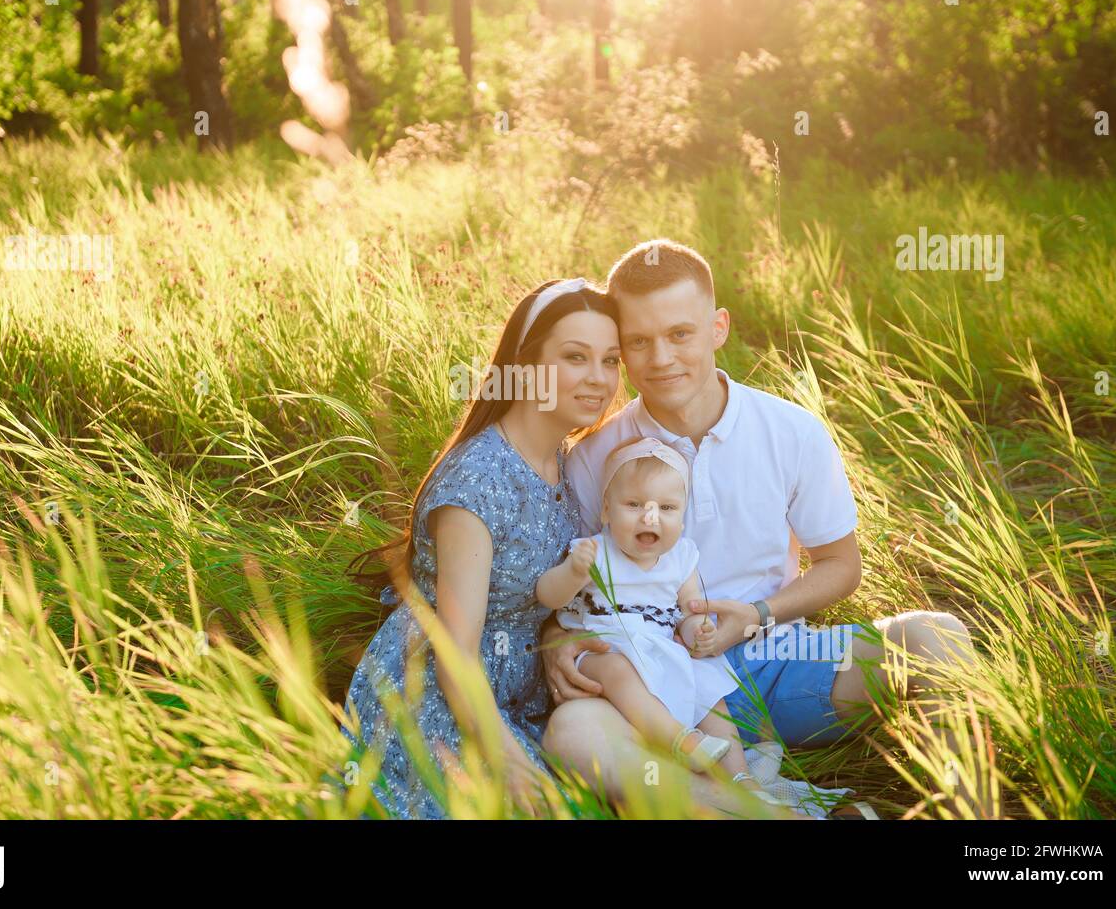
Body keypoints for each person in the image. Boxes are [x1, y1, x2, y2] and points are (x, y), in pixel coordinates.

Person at [540, 239, 981, 818]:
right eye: (639, 341)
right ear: (620, 348)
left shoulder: (791, 430)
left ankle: (972, 821)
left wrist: (759, 615)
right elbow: (571, 579)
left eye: (680, 334)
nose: (662, 357)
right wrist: (554, 641)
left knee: (936, 635)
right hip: (657, 688)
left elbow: (841, 565)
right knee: (572, 731)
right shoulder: (592, 456)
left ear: (718, 327)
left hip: (779, 659)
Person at [343, 277, 623, 818]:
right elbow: (455, 652)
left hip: (522, 691)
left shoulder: (562, 458)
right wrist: (511, 762)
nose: (599, 379)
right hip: (443, 702)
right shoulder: (478, 482)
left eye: (610, 360)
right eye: (575, 357)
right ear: (526, 366)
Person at [538, 435, 749, 779]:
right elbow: (549, 596)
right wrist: (573, 572)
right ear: (606, 510)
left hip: (661, 650)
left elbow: (689, 610)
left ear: (682, 518)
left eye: (666, 508)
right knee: (617, 669)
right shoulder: (594, 551)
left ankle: (742, 778)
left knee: (709, 691)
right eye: (634, 505)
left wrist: (699, 632)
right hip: (603, 649)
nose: (650, 517)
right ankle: (679, 741)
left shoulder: (682, 557)